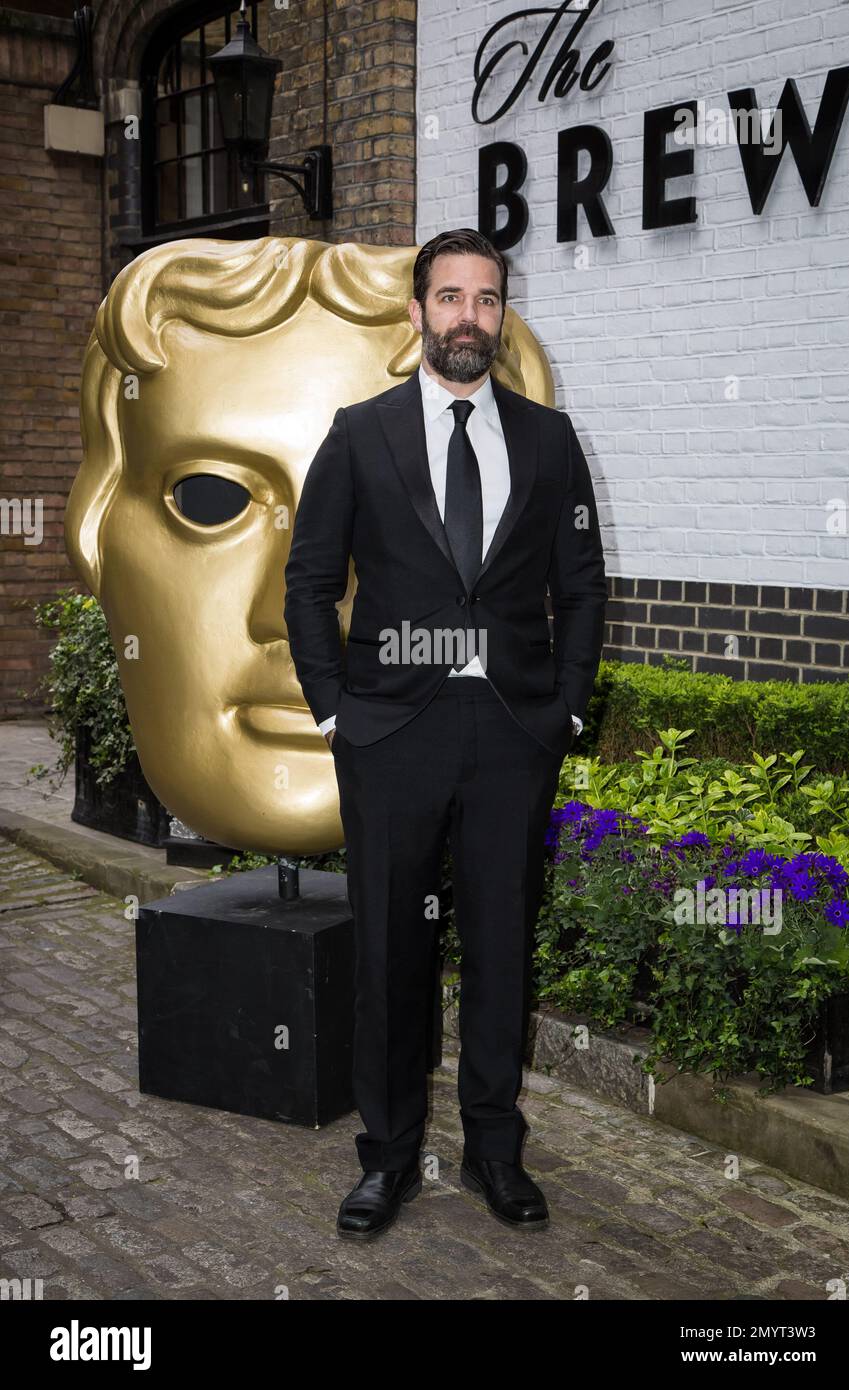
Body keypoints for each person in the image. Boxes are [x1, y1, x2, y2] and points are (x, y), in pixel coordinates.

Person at [284, 227, 606, 1239]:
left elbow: (582, 586)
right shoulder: (358, 433)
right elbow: (306, 583)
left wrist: (561, 711)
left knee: (501, 952)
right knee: (390, 955)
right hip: (392, 734)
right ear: (414, 312)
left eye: (487, 299)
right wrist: (337, 710)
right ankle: (385, 1161)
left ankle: (494, 1154)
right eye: (450, 296)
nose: (469, 315)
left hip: (509, 732)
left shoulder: (549, 442)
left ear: (500, 316)